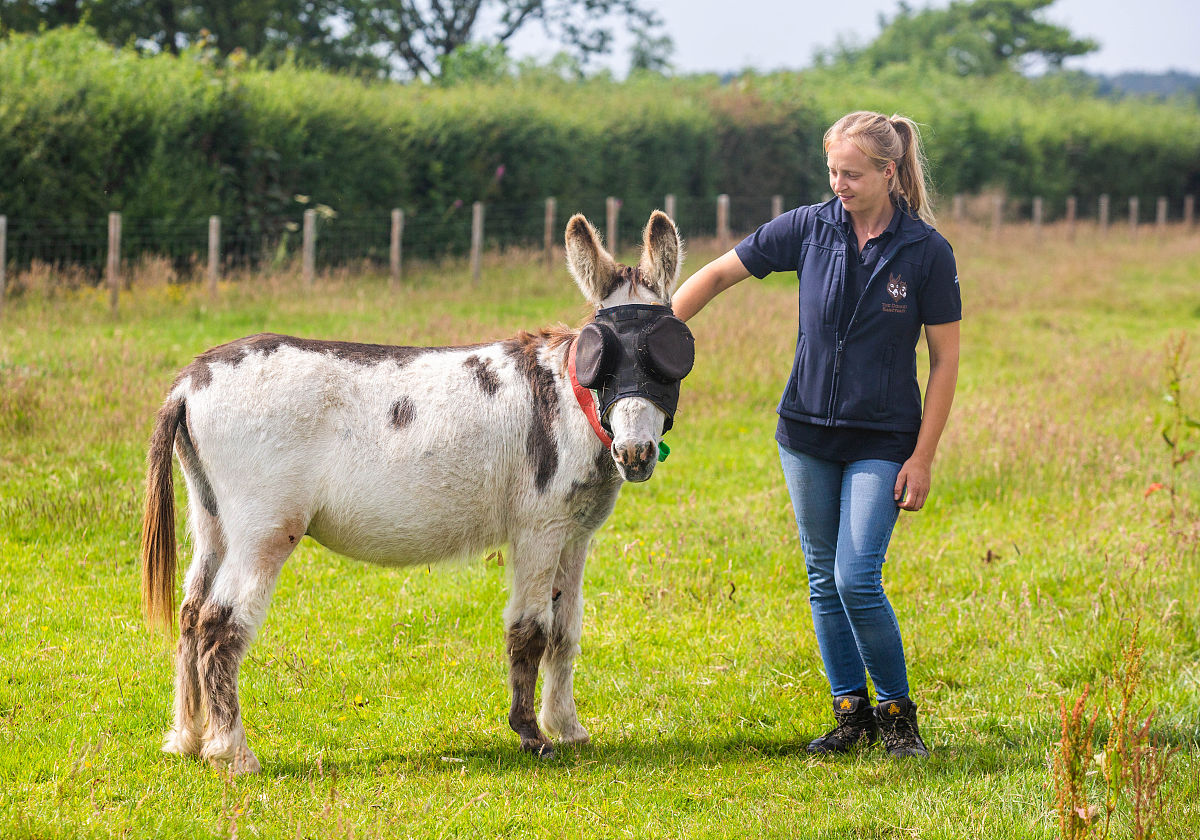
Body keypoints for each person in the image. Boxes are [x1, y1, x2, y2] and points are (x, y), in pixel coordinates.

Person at [671, 111, 961, 758]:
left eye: (852, 174)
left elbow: (945, 362)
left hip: (884, 439)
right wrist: (655, 331)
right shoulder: (808, 227)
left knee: (857, 576)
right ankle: (849, 714)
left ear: (889, 172)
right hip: (804, 433)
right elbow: (718, 273)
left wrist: (923, 456)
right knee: (822, 578)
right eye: (832, 171)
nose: (840, 184)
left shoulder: (927, 253)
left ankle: (897, 716)